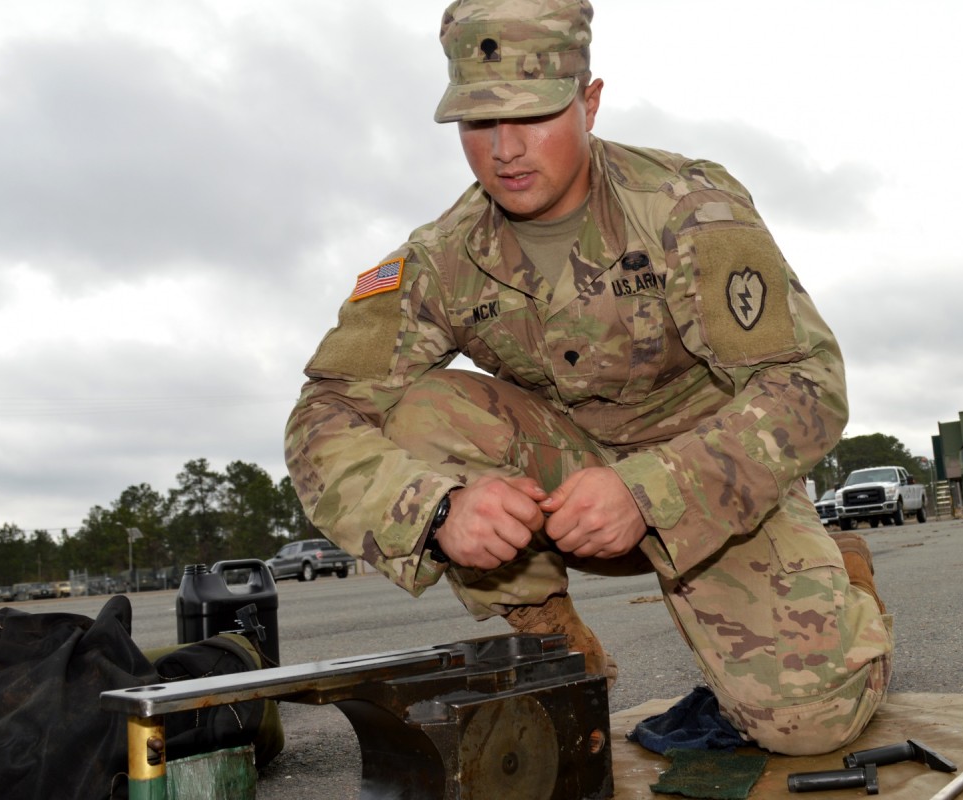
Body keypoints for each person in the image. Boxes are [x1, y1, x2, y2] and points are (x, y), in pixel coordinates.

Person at [285, 0, 892, 755]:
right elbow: (322, 414)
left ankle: (846, 581)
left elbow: (808, 380)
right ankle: (546, 637)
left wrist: (649, 491)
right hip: (563, 491)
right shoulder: (438, 260)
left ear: (589, 101)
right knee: (420, 413)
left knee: (806, 725)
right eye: (478, 122)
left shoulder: (687, 208)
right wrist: (435, 512)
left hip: (714, 482)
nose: (505, 149)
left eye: (533, 114)